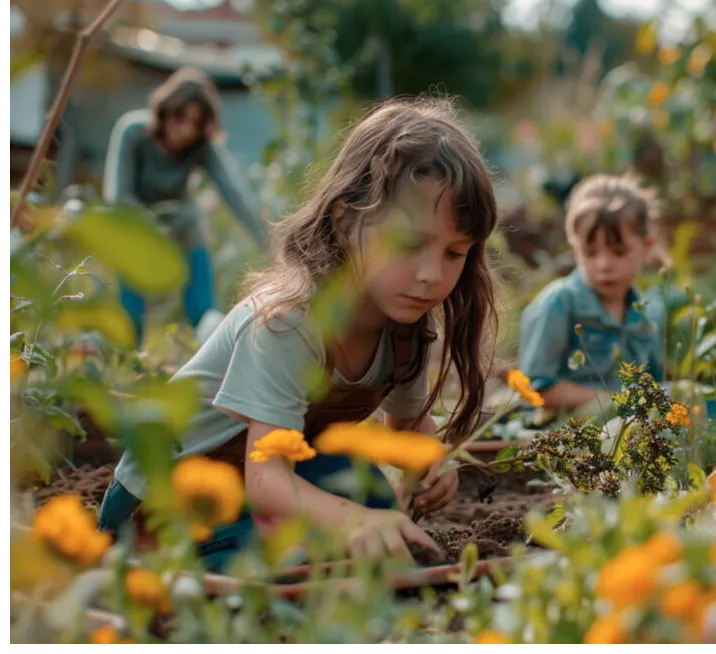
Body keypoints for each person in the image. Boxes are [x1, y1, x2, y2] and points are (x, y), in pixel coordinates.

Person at [97, 97, 499, 571]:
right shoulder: (289, 321)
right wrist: (353, 523)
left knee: (369, 504)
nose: (433, 274)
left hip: (266, 482)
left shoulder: (407, 325)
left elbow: (408, 431)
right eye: (410, 243)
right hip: (168, 499)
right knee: (321, 548)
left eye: (455, 253)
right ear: (346, 222)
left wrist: (431, 464)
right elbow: (265, 479)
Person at [102, 67, 270, 345]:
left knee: (203, 310)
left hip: (181, 223)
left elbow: (235, 194)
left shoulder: (202, 148)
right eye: (181, 119)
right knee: (130, 316)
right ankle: (129, 365)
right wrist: (153, 232)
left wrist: (270, 243)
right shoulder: (133, 132)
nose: (186, 131)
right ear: (165, 111)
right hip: (135, 226)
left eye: (196, 123)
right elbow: (117, 198)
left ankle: (208, 362)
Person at [518, 173, 666, 414]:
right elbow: (536, 388)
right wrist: (614, 400)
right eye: (590, 252)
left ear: (646, 247)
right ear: (574, 247)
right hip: (563, 438)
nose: (603, 265)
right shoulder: (559, 303)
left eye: (618, 252)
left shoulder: (650, 312)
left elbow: (655, 389)